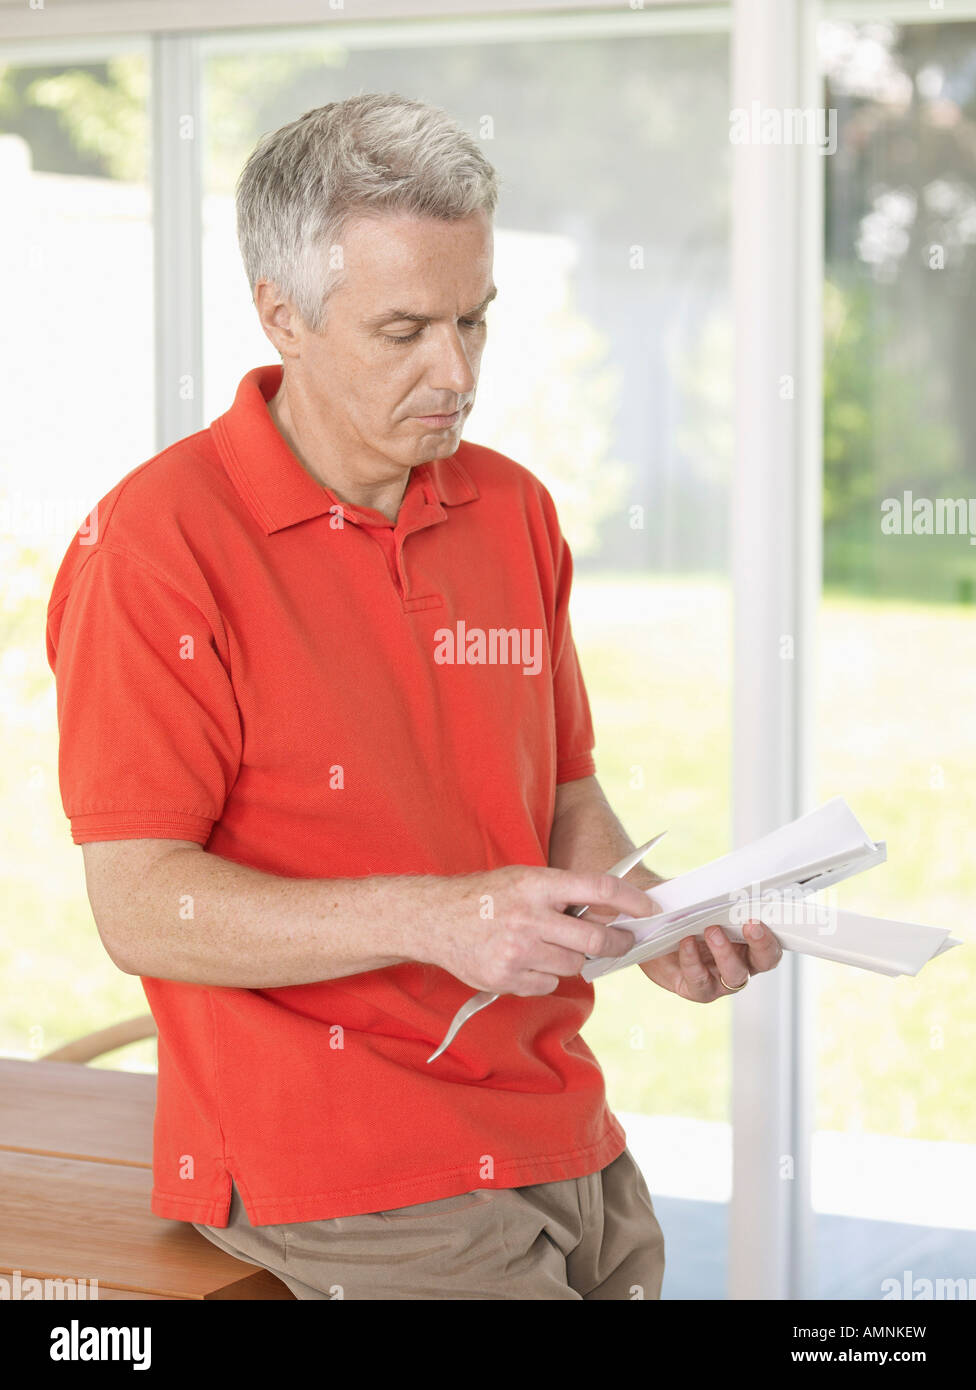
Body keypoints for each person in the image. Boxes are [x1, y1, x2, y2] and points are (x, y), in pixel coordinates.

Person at [45, 92, 783, 1301]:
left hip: (564, 1130)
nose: (457, 372)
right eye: (404, 332)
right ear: (282, 316)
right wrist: (440, 917)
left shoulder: (511, 509)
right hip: (341, 1173)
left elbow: (561, 792)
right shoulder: (155, 547)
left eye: (474, 321)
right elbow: (139, 907)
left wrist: (651, 915)